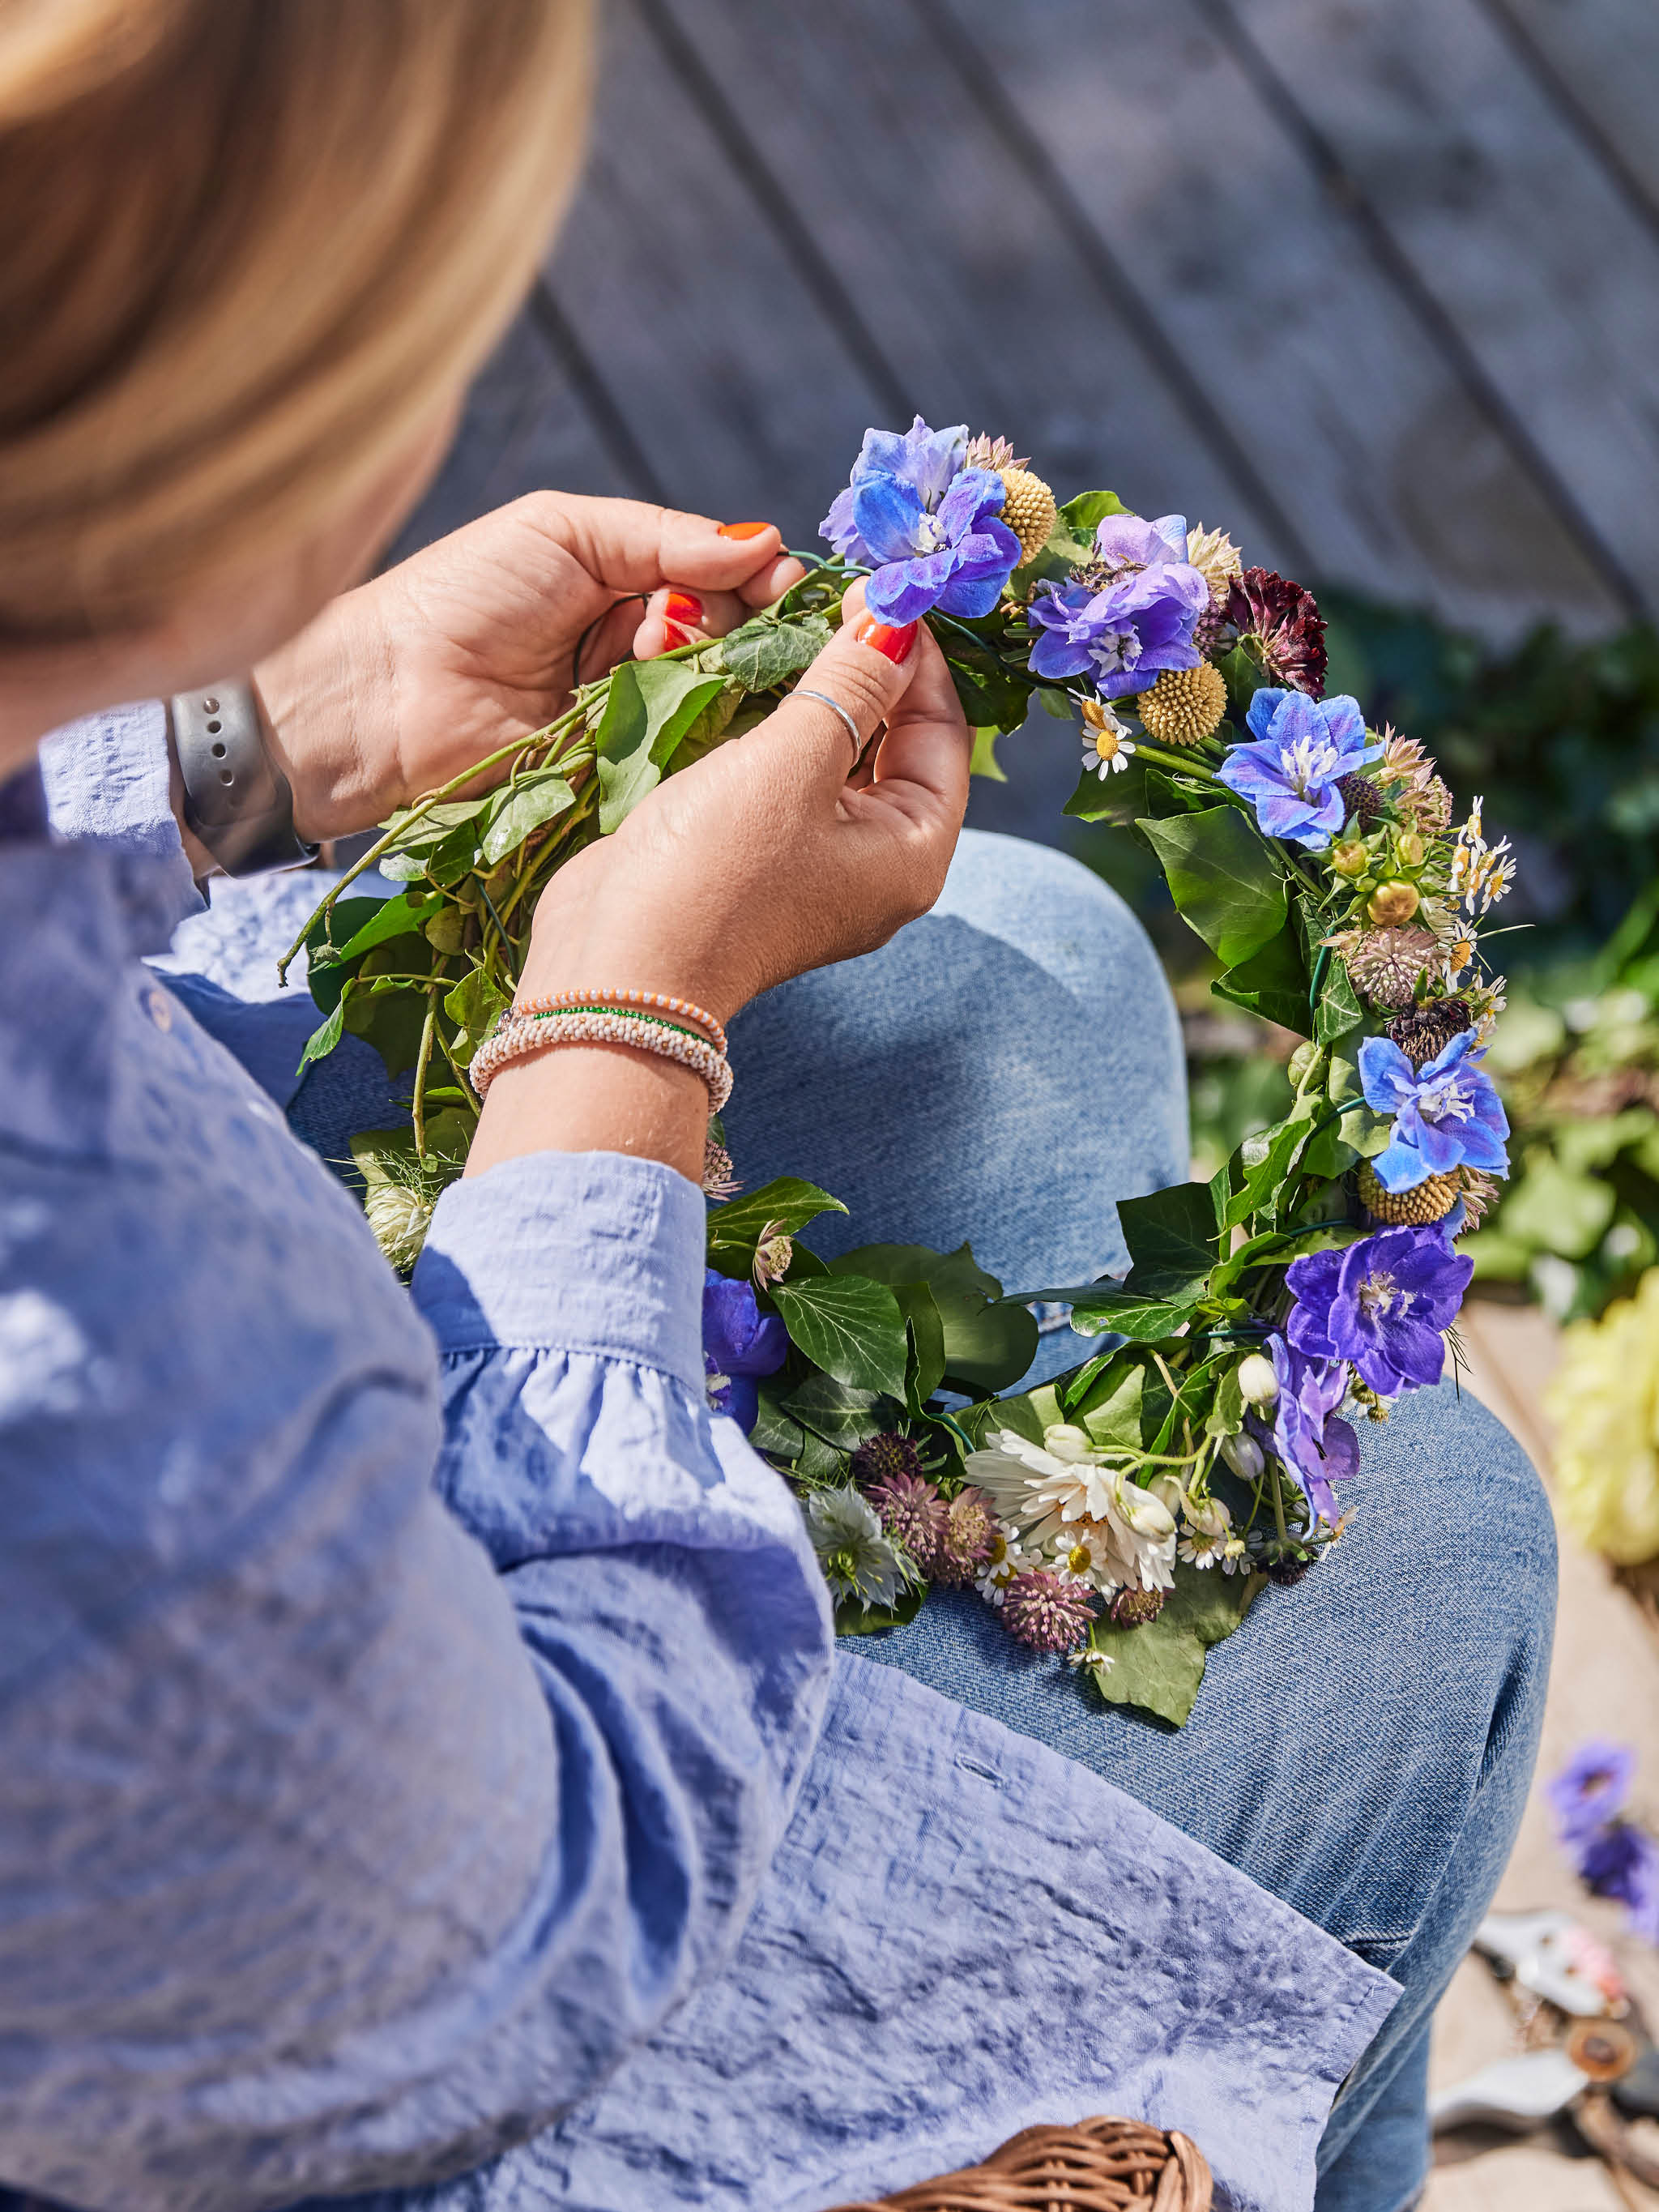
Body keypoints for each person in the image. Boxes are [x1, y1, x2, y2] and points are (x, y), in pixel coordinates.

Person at [0, 6, 1555, 2210]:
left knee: (1026, 975)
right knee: (1435, 1551)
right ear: (231, 433)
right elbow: (542, 1910)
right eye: (436, 323)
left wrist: (256, 732)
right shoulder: (71, 1401)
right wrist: (620, 1034)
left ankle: (1231, 2103)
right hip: (413, 1966)